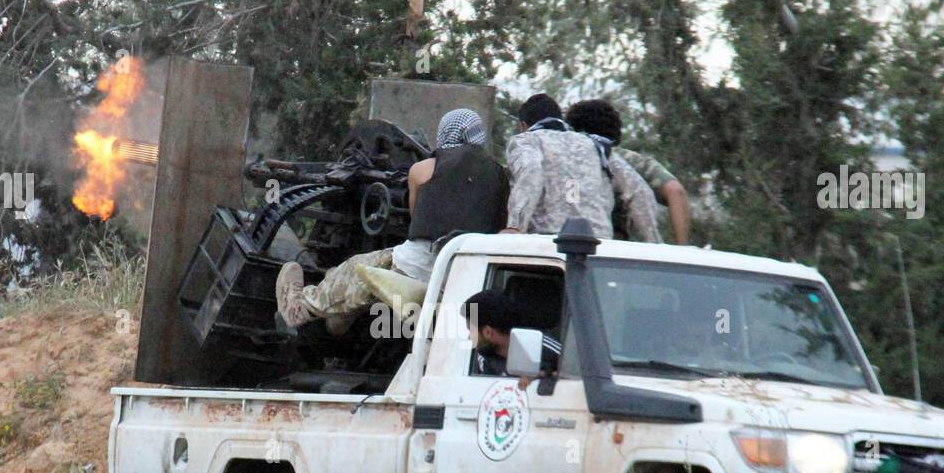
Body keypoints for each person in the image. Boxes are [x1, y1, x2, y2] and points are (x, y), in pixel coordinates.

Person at [275, 109, 508, 332]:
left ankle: (302, 308)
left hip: (420, 265)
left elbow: (416, 217)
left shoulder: (422, 169)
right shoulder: (500, 176)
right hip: (466, 276)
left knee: (357, 269)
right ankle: (341, 316)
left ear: (445, 133)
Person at [504, 93, 660, 243]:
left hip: (548, 244)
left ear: (523, 125)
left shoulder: (525, 141)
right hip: (599, 246)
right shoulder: (596, 145)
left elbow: (530, 173)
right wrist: (654, 244)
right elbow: (639, 191)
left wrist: (515, 227)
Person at [565, 98, 690, 245]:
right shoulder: (628, 161)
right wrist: (682, 251)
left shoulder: (560, 157)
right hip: (616, 254)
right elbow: (675, 191)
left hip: (560, 249)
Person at [463, 289, 562, 377]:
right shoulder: (484, 355)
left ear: (488, 332)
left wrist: (548, 376)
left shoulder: (544, 348)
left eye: (471, 331)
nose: (469, 338)